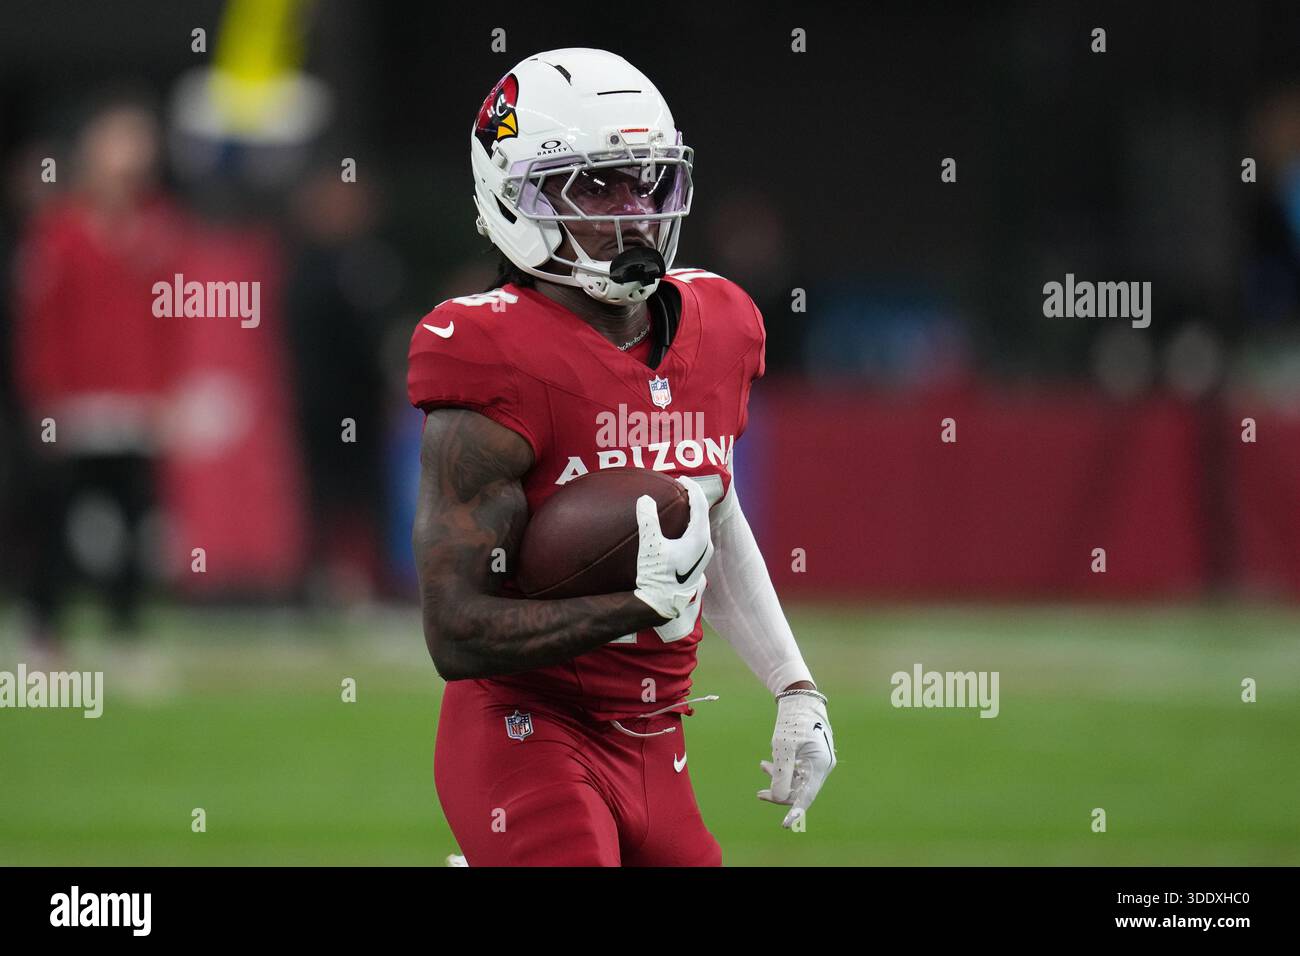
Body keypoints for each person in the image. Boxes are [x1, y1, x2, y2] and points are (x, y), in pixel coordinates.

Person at [408, 48, 835, 866]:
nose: (634, 210)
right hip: (526, 731)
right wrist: (632, 607)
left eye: (646, 180)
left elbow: (708, 504)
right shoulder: (490, 353)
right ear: (514, 196)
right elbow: (456, 635)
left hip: (655, 740)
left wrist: (794, 684)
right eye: (596, 185)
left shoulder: (723, 323)